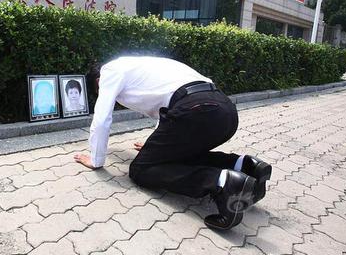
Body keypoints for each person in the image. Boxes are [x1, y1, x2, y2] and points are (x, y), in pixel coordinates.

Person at [74, 56, 272, 230]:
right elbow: (167, 108)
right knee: (180, 156)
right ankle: (246, 166)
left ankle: (222, 183)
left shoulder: (109, 71)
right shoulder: (143, 65)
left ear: (98, 81)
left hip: (196, 110)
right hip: (225, 112)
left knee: (140, 170)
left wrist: (96, 159)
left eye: (99, 89)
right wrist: (157, 145)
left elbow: (102, 119)